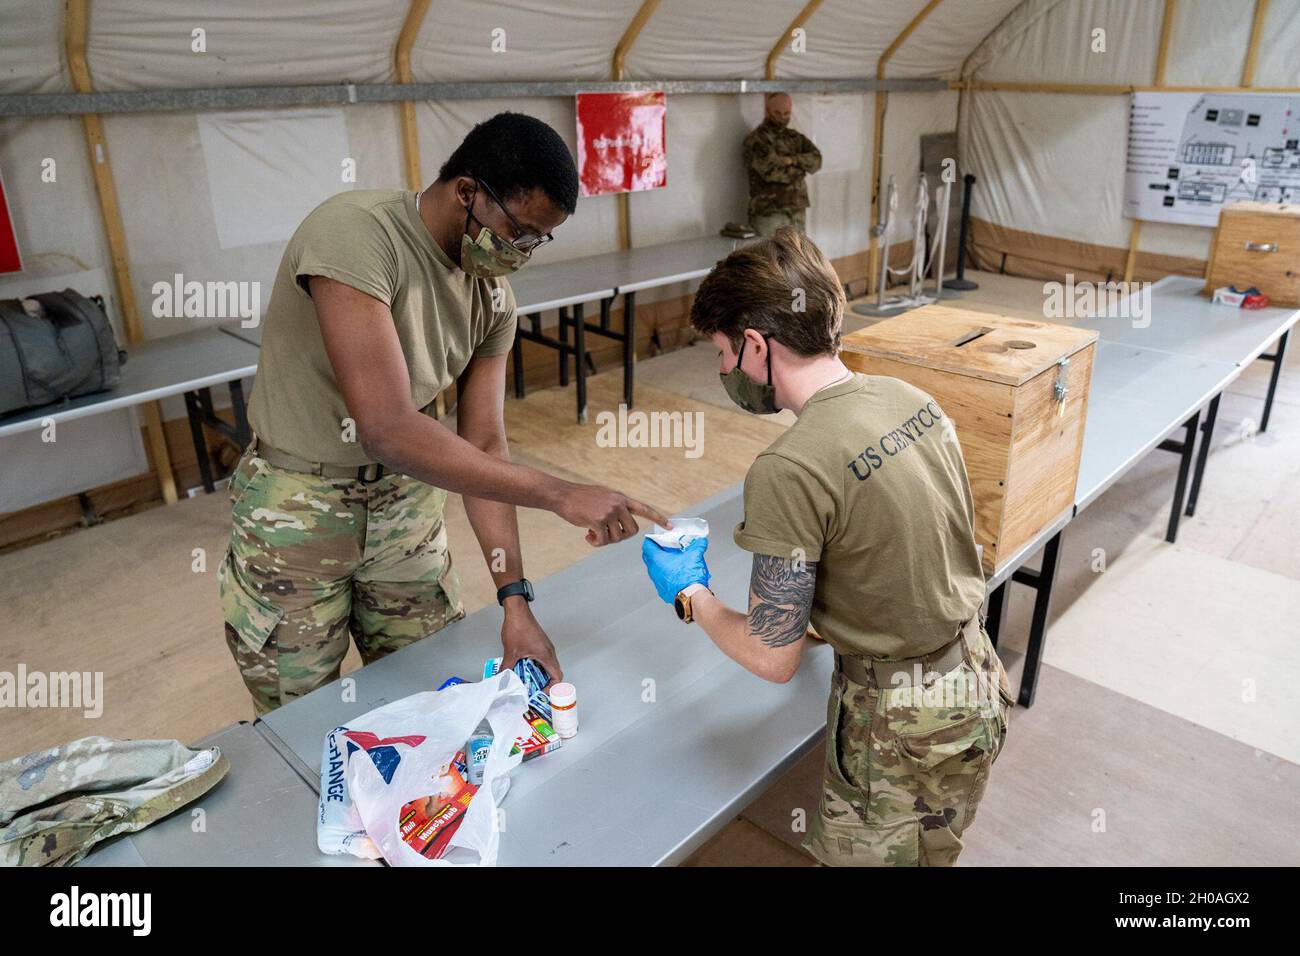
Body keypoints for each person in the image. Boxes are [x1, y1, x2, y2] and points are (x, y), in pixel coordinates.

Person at [221, 112, 667, 715]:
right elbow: (388, 428)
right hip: (297, 512)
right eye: (520, 233)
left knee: (428, 700)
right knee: (300, 716)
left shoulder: (492, 298)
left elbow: (483, 446)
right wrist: (559, 493)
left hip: (408, 512)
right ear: (467, 193)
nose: (523, 252)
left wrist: (515, 603)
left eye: (539, 240)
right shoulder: (355, 235)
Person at [640, 227, 1012, 866]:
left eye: (723, 354)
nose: (725, 371)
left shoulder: (789, 466)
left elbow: (771, 658)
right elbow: (910, 542)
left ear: (757, 345)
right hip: (973, 683)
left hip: (897, 727)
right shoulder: (911, 399)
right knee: (933, 853)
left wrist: (691, 593)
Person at [742, 92, 822, 236]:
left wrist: (793, 160)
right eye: (777, 113)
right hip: (770, 212)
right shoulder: (757, 140)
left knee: (796, 257)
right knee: (770, 257)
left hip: (797, 210)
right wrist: (800, 171)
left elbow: (817, 161)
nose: (782, 118)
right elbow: (770, 173)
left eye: (786, 113)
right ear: (767, 111)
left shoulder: (795, 137)